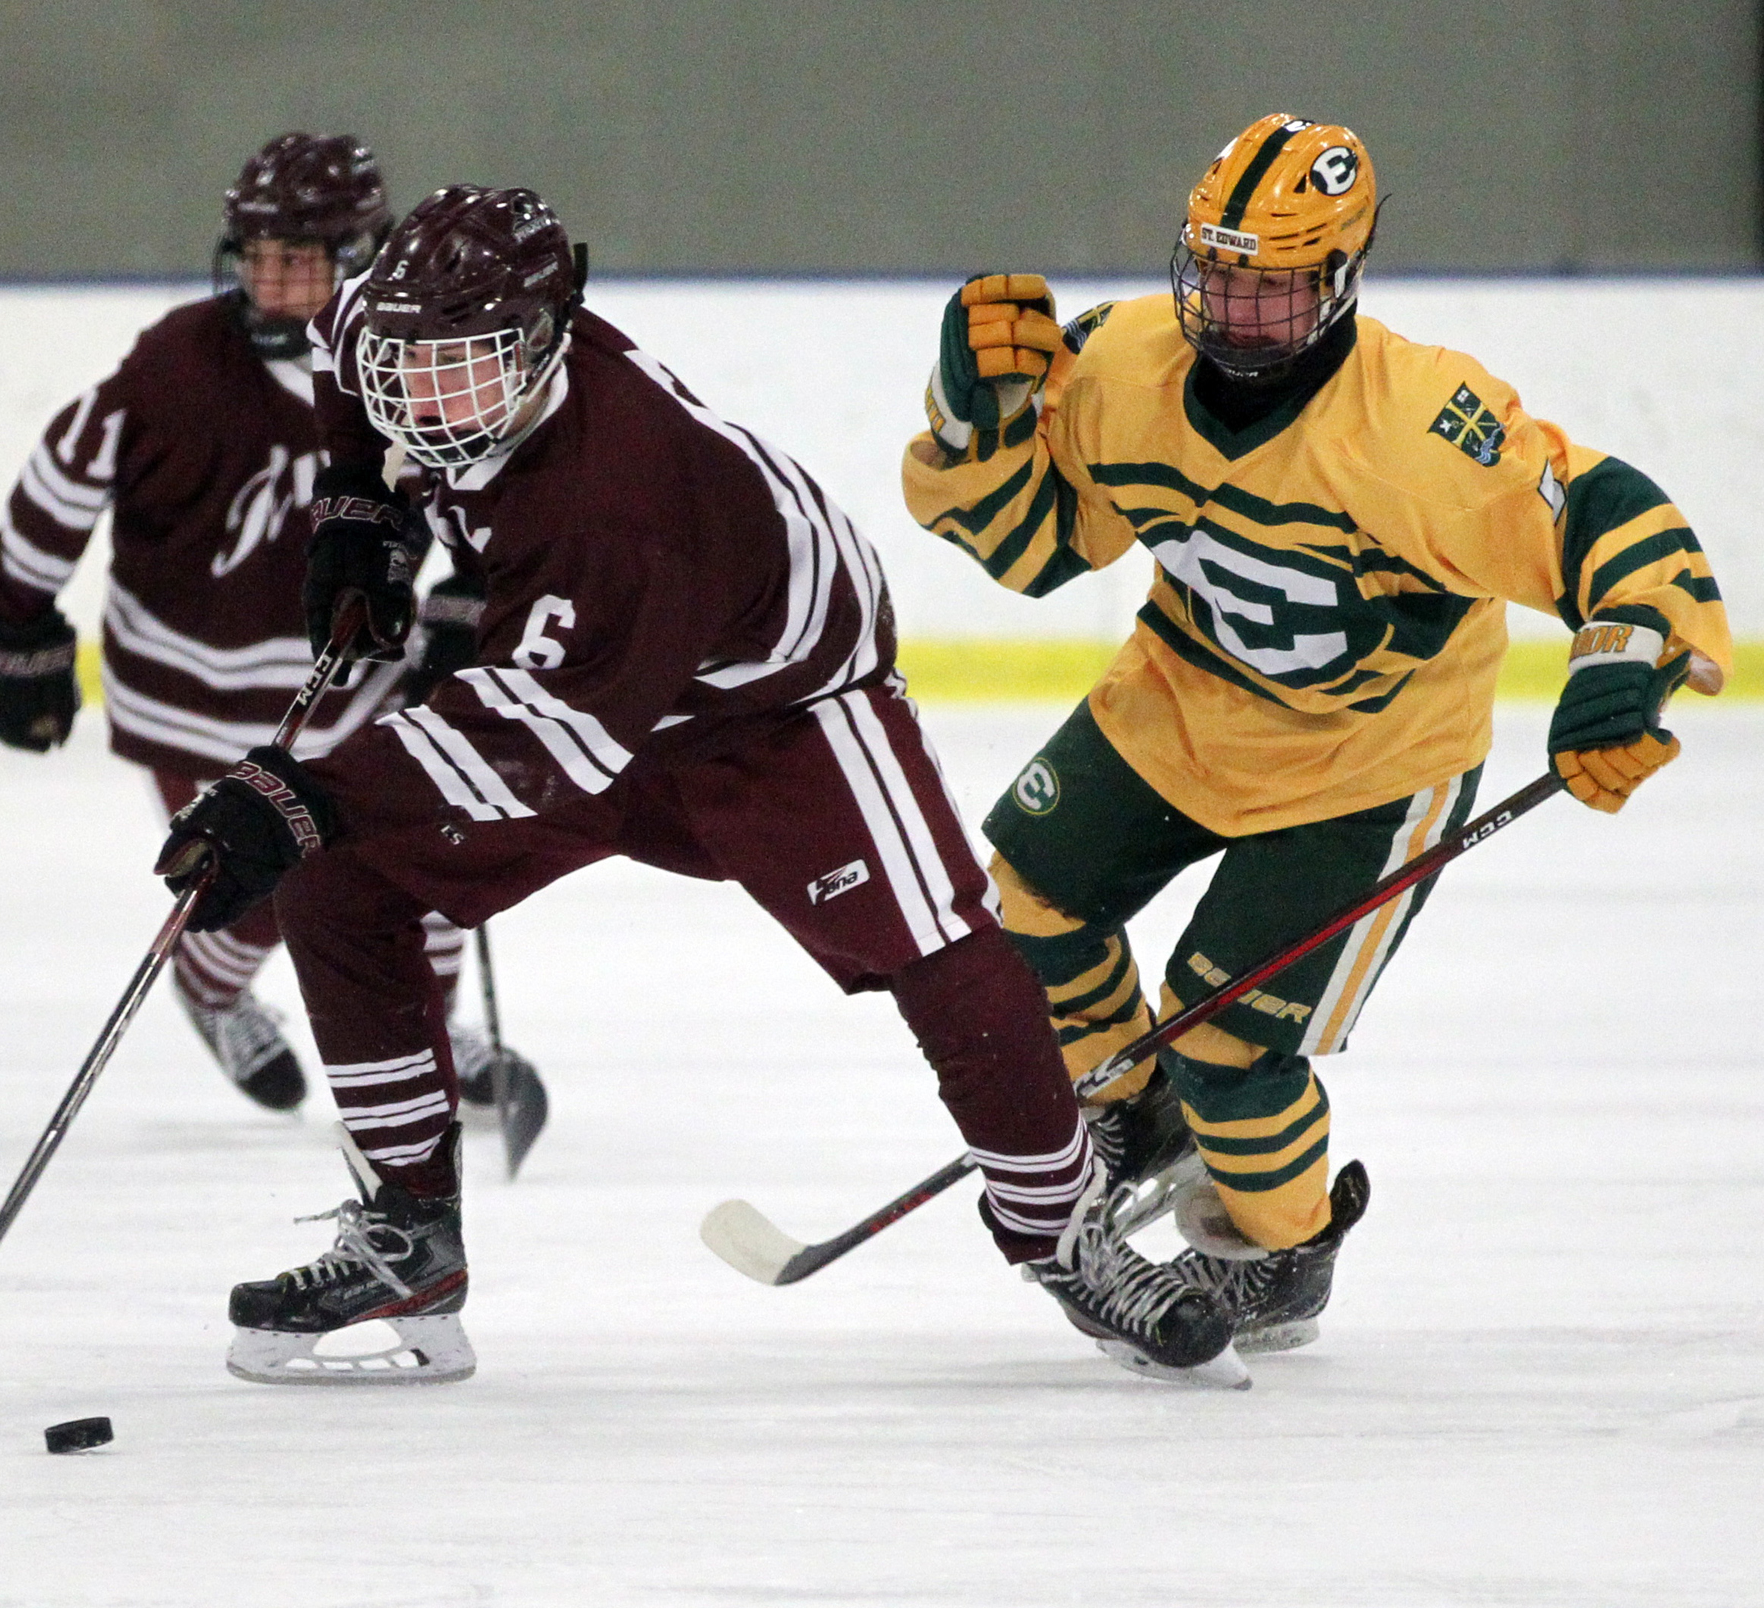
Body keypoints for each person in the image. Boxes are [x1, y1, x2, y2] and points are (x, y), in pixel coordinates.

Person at [153, 185, 1254, 1389]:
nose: (429, 400)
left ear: (543, 340)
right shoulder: (394, 331)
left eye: (464, 370)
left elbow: (539, 743)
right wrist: (359, 510)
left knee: (941, 948)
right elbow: (346, 362)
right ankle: (408, 1240)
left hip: (775, 705)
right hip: (586, 680)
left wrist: (296, 791)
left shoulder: (622, 496)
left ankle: (1068, 1233)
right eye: (411, 369)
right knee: (337, 888)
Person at [902, 113, 1733, 1356]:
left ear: (1342, 278)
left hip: (1365, 766)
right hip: (1178, 706)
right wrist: (973, 421)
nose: (1235, 313)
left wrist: (1622, 658)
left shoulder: (1418, 424)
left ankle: (1281, 1248)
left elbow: (1608, 517)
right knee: (1019, 895)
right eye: (1218, 275)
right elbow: (1026, 552)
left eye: (1275, 286)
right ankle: (1132, 1110)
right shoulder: (1119, 361)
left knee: (1226, 1038)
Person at [0, 133, 546, 1141]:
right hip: (183, 695)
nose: (271, 281)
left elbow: (485, 499)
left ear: (361, 255)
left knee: (431, 851)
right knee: (261, 881)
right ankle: (212, 983)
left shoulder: (407, 369)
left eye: (301, 259)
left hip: (349, 684)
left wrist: (467, 606)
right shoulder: (174, 366)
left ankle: (435, 1040)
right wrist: (14, 623)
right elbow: (62, 476)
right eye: (257, 255)